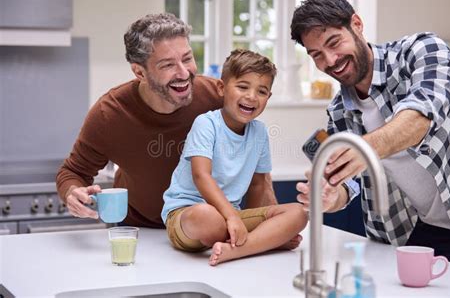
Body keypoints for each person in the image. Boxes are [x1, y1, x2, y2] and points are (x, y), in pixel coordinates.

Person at [290, 0, 450, 267]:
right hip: (433, 230)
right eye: (316, 54)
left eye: (334, 42)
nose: (330, 60)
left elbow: (421, 114)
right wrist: (331, 197)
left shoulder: (423, 50)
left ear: (357, 24)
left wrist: (364, 149)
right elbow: (350, 186)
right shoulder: (340, 111)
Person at [56, 13, 281, 230]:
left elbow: (258, 175)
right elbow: (72, 172)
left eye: (187, 58)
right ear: (140, 72)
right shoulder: (110, 113)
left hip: (208, 232)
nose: (184, 73)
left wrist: (269, 231)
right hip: (140, 228)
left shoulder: (218, 97)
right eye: (167, 65)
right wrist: (72, 193)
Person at [161, 49, 308, 266]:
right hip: (188, 218)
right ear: (221, 88)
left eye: (262, 91)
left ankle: (236, 249)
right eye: (242, 87)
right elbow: (201, 176)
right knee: (207, 216)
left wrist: (258, 222)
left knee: (298, 213)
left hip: (233, 218)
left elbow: (258, 185)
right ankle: (257, 244)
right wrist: (234, 219)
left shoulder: (259, 132)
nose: (251, 96)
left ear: (268, 97)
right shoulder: (206, 124)